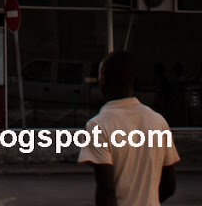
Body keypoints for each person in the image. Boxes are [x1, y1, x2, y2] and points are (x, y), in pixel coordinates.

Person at [77, 51, 179, 206]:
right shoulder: (158, 121)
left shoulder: (98, 125)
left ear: (103, 80)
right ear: (134, 81)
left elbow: (106, 190)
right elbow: (169, 186)